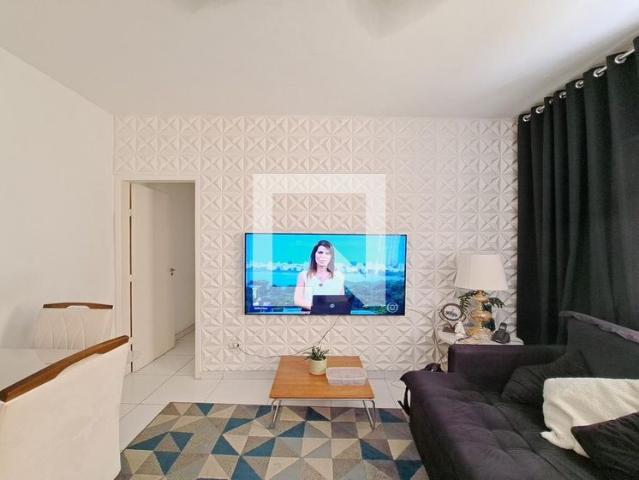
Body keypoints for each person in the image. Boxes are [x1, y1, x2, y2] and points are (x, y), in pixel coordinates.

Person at [294, 240, 345, 310]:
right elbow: (297, 300)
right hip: (309, 315)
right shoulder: (303, 275)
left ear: (331, 257)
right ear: (314, 254)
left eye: (327, 253)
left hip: (331, 315)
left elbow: (341, 301)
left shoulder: (339, 277)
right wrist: (317, 307)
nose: (323, 256)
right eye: (320, 252)